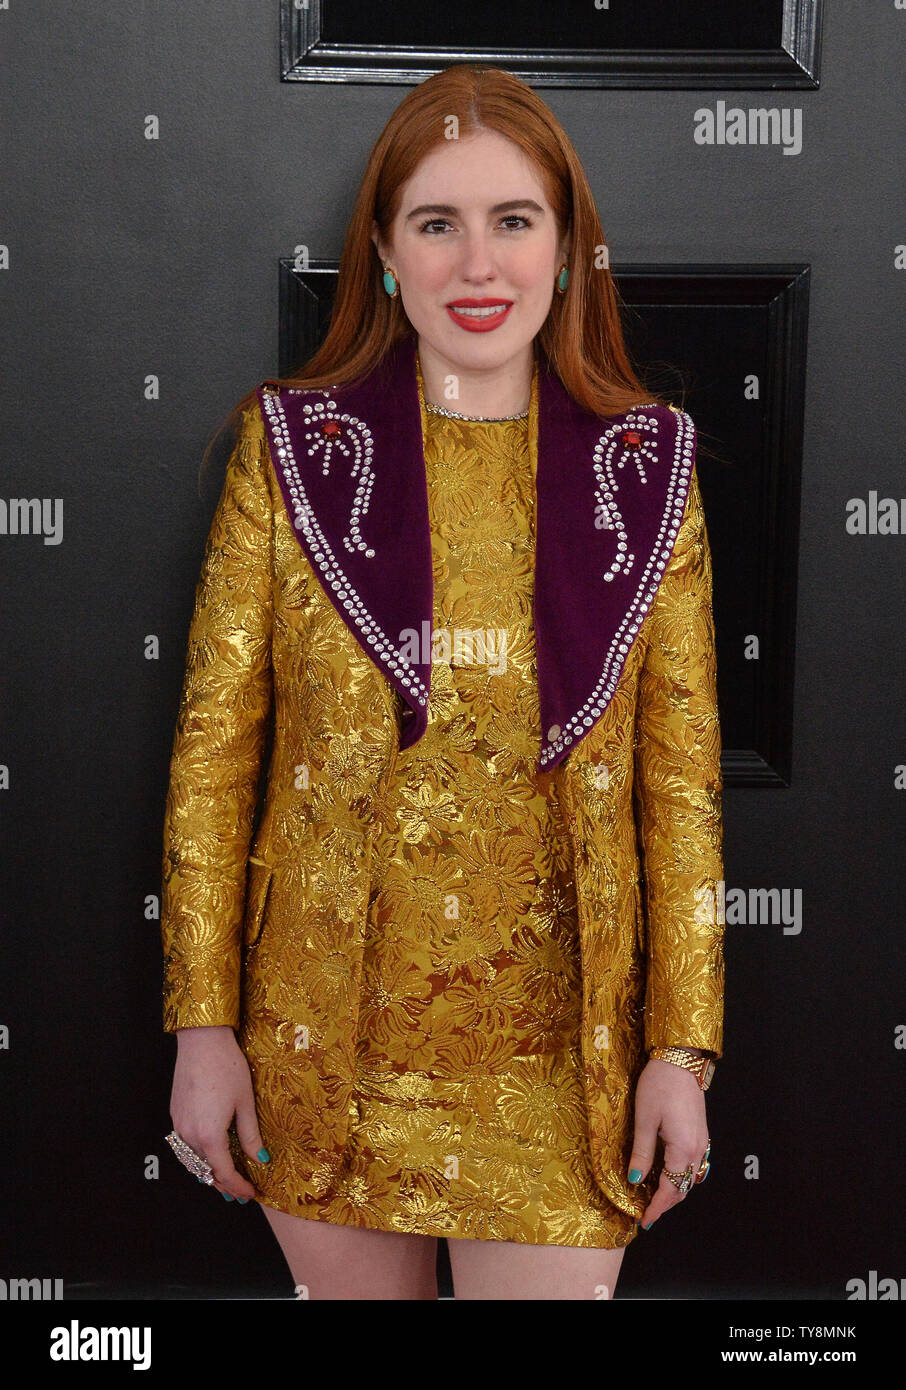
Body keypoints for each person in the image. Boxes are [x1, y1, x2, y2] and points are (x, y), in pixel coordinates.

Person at [160, 63, 724, 1301]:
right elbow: (214, 761)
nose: (479, 264)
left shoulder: (648, 470)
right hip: (326, 1045)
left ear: (569, 247)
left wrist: (683, 1050)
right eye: (437, 223)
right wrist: (203, 1028)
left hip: (562, 1068)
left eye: (513, 221)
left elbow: (679, 797)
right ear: (384, 250)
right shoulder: (295, 451)